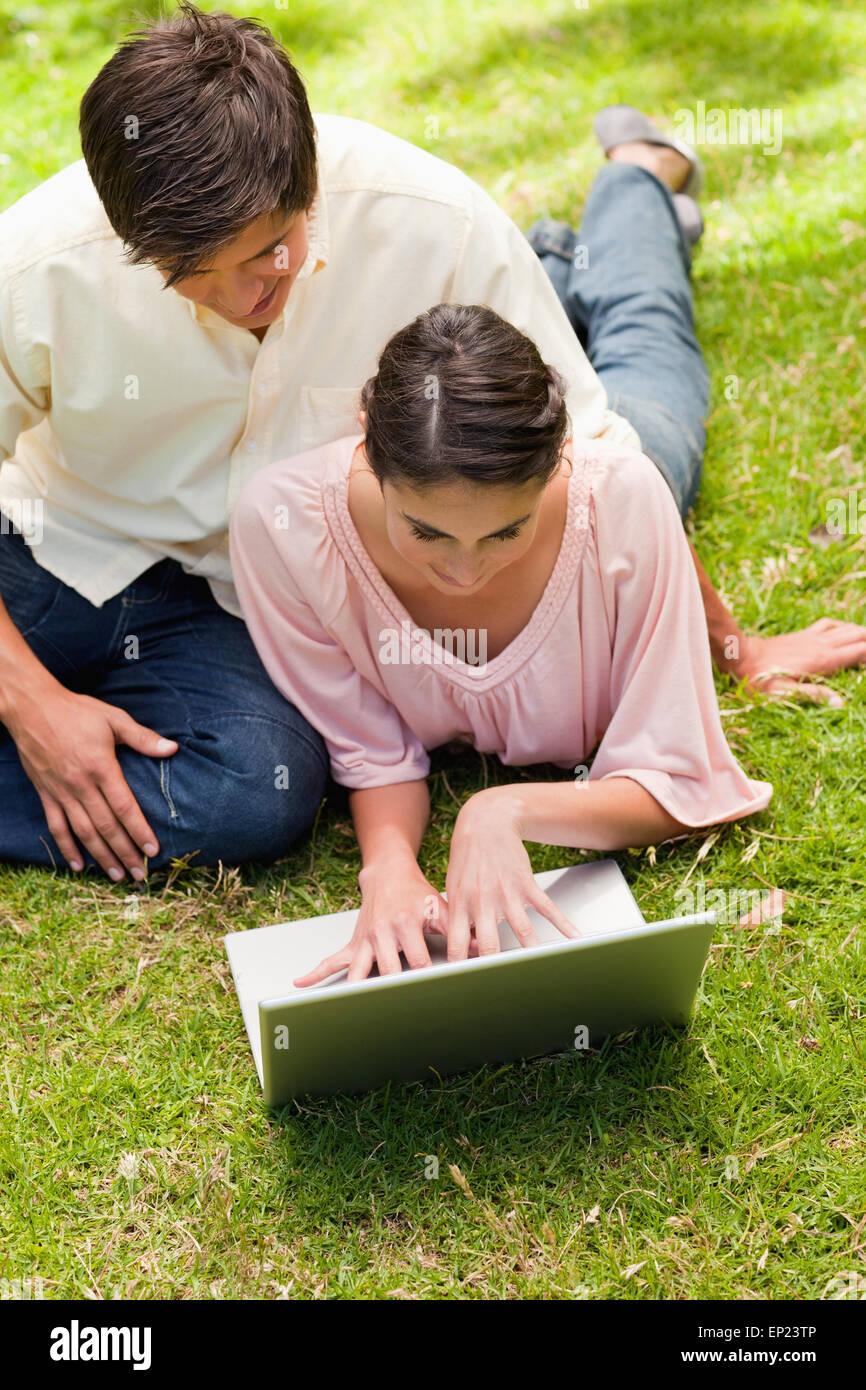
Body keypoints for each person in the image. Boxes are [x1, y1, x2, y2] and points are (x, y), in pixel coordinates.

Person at [0, 4, 860, 882]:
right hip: (74, 551)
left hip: (444, 490)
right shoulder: (42, 259)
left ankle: (636, 188)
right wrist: (32, 705)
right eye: (190, 276)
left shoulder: (432, 219)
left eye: (267, 255)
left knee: (650, 411)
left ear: (309, 184)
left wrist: (734, 649)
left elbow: (602, 443)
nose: (235, 298)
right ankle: (559, 265)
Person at [229, 303, 773, 982]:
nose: (464, 572)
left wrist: (502, 810)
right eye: (427, 532)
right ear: (365, 441)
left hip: (641, 452)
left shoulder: (623, 500)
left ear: (556, 463)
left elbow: (686, 780)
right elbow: (370, 754)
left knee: (648, 340)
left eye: (504, 531)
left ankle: (636, 201)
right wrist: (390, 870)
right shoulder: (282, 527)